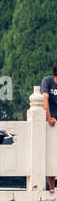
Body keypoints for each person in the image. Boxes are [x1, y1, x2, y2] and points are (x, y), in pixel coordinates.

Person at [42, 61, 57, 190]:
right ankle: (51, 189)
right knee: (51, 155)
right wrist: (49, 118)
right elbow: (44, 99)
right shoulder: (48, 81)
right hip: (51, 122)